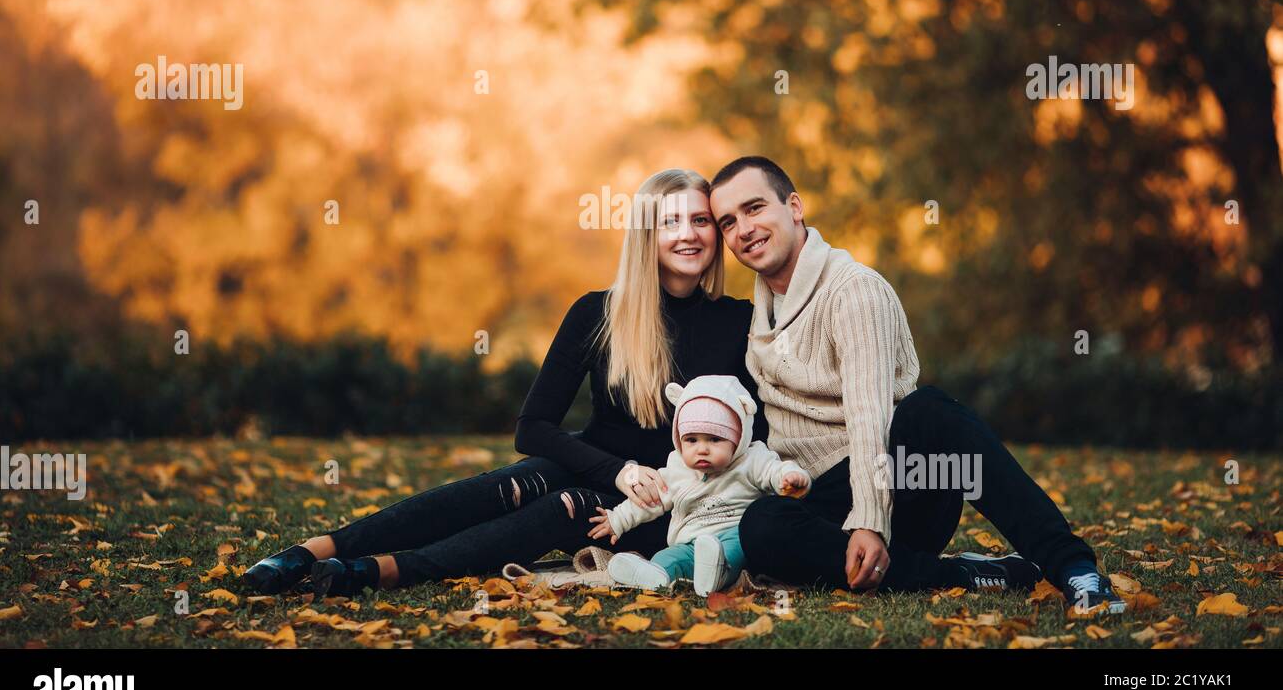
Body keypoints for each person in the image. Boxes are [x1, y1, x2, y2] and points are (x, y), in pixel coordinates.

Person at [242, 168, 766, 597]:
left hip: (668, 503)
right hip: (599, 464)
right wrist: (619, 469)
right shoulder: (598, 313)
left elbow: (753, 432)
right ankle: (314, 551)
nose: (688, 233)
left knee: (567, 508)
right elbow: (532, 427)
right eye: (669, 220)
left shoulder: (740, 322)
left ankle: (384, 570)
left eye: (700, 220)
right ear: (646, 233)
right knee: (513, 484)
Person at [708, 156, 1126, 616]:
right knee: (762, 525)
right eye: (728, 222)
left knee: (929, 410)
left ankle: (1075, 569)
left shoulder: (854, 291)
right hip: (820, 502)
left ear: (794, 206)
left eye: (754, 209)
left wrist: (870, 521)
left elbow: (870, 417)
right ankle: (961, 574)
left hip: (899, 484)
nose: (743, 229)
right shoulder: (757, 320)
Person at [587, 374, 810, 596]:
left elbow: (775, 470)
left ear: (739, 438)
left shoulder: (751, 460)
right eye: (692, 440)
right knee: (668, 556)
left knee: (736, 546)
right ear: (679, 439)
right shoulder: (677, 470)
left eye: (715, 439)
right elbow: (651, 498)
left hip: (734, 535)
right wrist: (618, 519)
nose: (702, 449)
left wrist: (790, 476)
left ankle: (719, 572)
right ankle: (655, 574)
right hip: (690, 543)